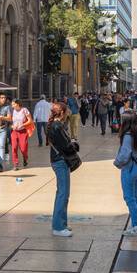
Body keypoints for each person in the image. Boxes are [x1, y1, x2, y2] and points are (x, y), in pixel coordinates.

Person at [46, 100, 79, 236]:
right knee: (63, 194)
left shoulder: (55, 125)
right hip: (60, 161)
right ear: (62, 112)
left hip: (58, 160)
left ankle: (61, 223)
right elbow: (65, 146)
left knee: (62, 193)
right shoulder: (57, 126)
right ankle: (58, 227)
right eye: (67, 111)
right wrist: (74, 145)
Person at [114, 109, 137, 235]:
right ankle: (136, 224)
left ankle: (136, 226)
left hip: (129, 168)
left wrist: (117, 163)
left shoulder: (127, 135)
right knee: (136, 196)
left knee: (129, 198)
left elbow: (124, 154)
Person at [11, 100, 33, 170]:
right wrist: (12, 126)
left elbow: (30, 120)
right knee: (14, 147)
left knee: (23, 148)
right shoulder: (12, 111)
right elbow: (9, 120)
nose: (12, 106)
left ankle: (25, 158)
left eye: (13, 104)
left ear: (17, 104)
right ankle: (15, 164)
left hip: (23, 131)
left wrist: (22, 125)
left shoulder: (24, 110)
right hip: (14, 131)